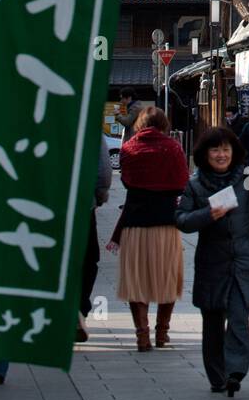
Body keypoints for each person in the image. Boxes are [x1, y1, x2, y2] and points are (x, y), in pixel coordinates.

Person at [176, 127, 249, 396]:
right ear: (204, 154)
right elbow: (182, 220)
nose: (221, 155)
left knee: (239, 317)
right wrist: (207, 215)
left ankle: (235, 372)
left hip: (244, 259)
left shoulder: (248, 177)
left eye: (226, 149)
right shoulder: (195, 184)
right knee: (212, 322)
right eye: (215, 150)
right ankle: (217, 377)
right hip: (212, 262)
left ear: (234, 152)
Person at [115, 107, 189, 351]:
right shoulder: (173, 147)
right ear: (163, 123)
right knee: (167, 279)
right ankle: (162, 333)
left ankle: (142, 335)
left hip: (135, 221)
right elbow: (181, 182)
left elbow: (126, 180)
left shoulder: (128, 148)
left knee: (136, 282)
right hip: (166, 221)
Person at [76, 134, 113, 342]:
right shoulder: (86, 124)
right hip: (82, 204)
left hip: (42, 207)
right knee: (87, 260)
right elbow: (104, 171)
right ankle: (79, 309)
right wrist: (98, 196)